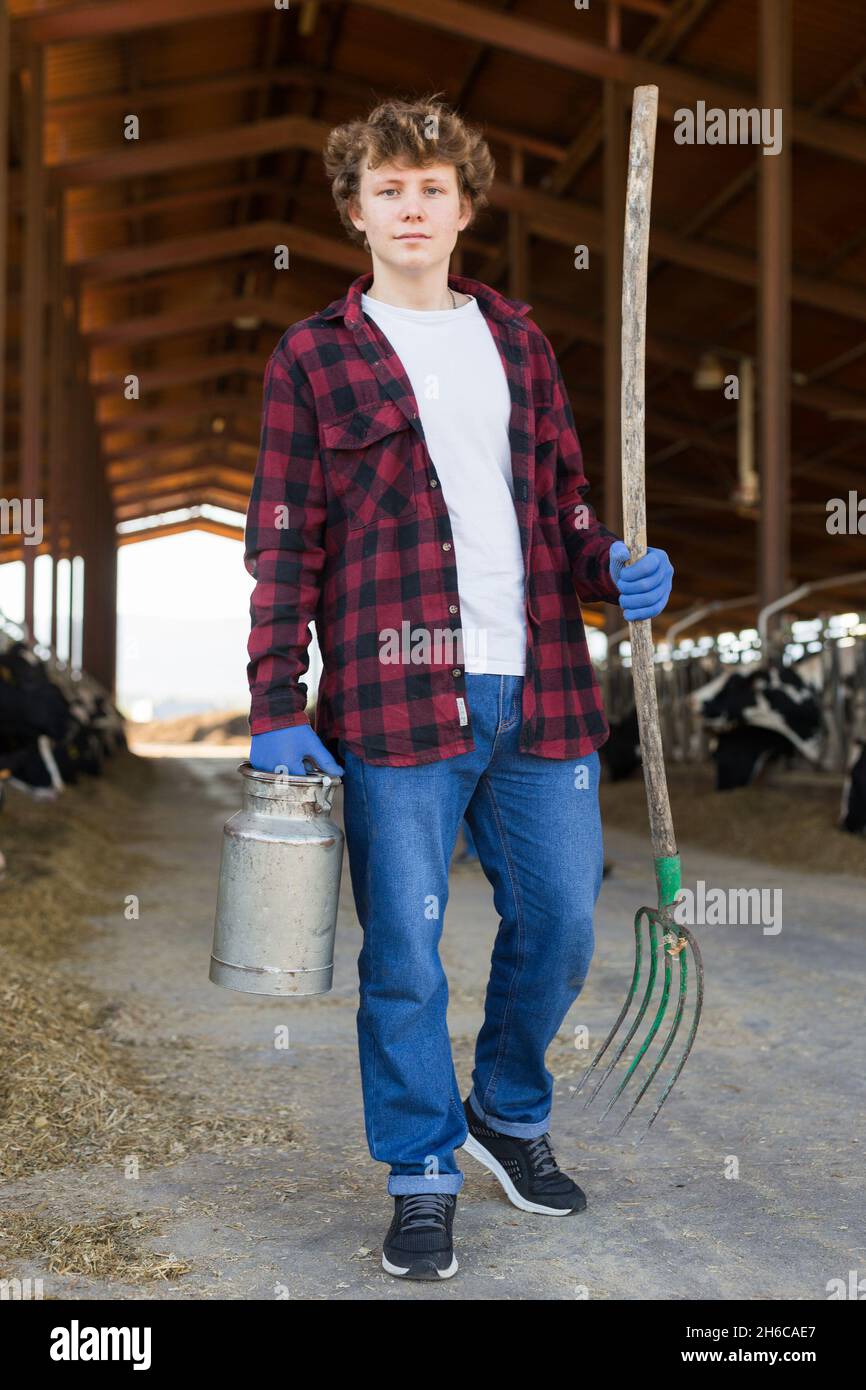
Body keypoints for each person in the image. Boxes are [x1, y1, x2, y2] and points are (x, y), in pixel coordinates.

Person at [245, 94, 673, 1281]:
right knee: (407, 956)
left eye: (432, 186)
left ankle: (507, 1112)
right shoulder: (314, 356)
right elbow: (283, 542)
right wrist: (275, 702)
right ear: (354, 214)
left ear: (466, 206)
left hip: (538, 686)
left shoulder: (517, 343)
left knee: (560, 919)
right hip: (391, 699)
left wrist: (612, 568)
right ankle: (422, 1169)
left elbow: (562, 502)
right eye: (388, 189)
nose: (411, 206)